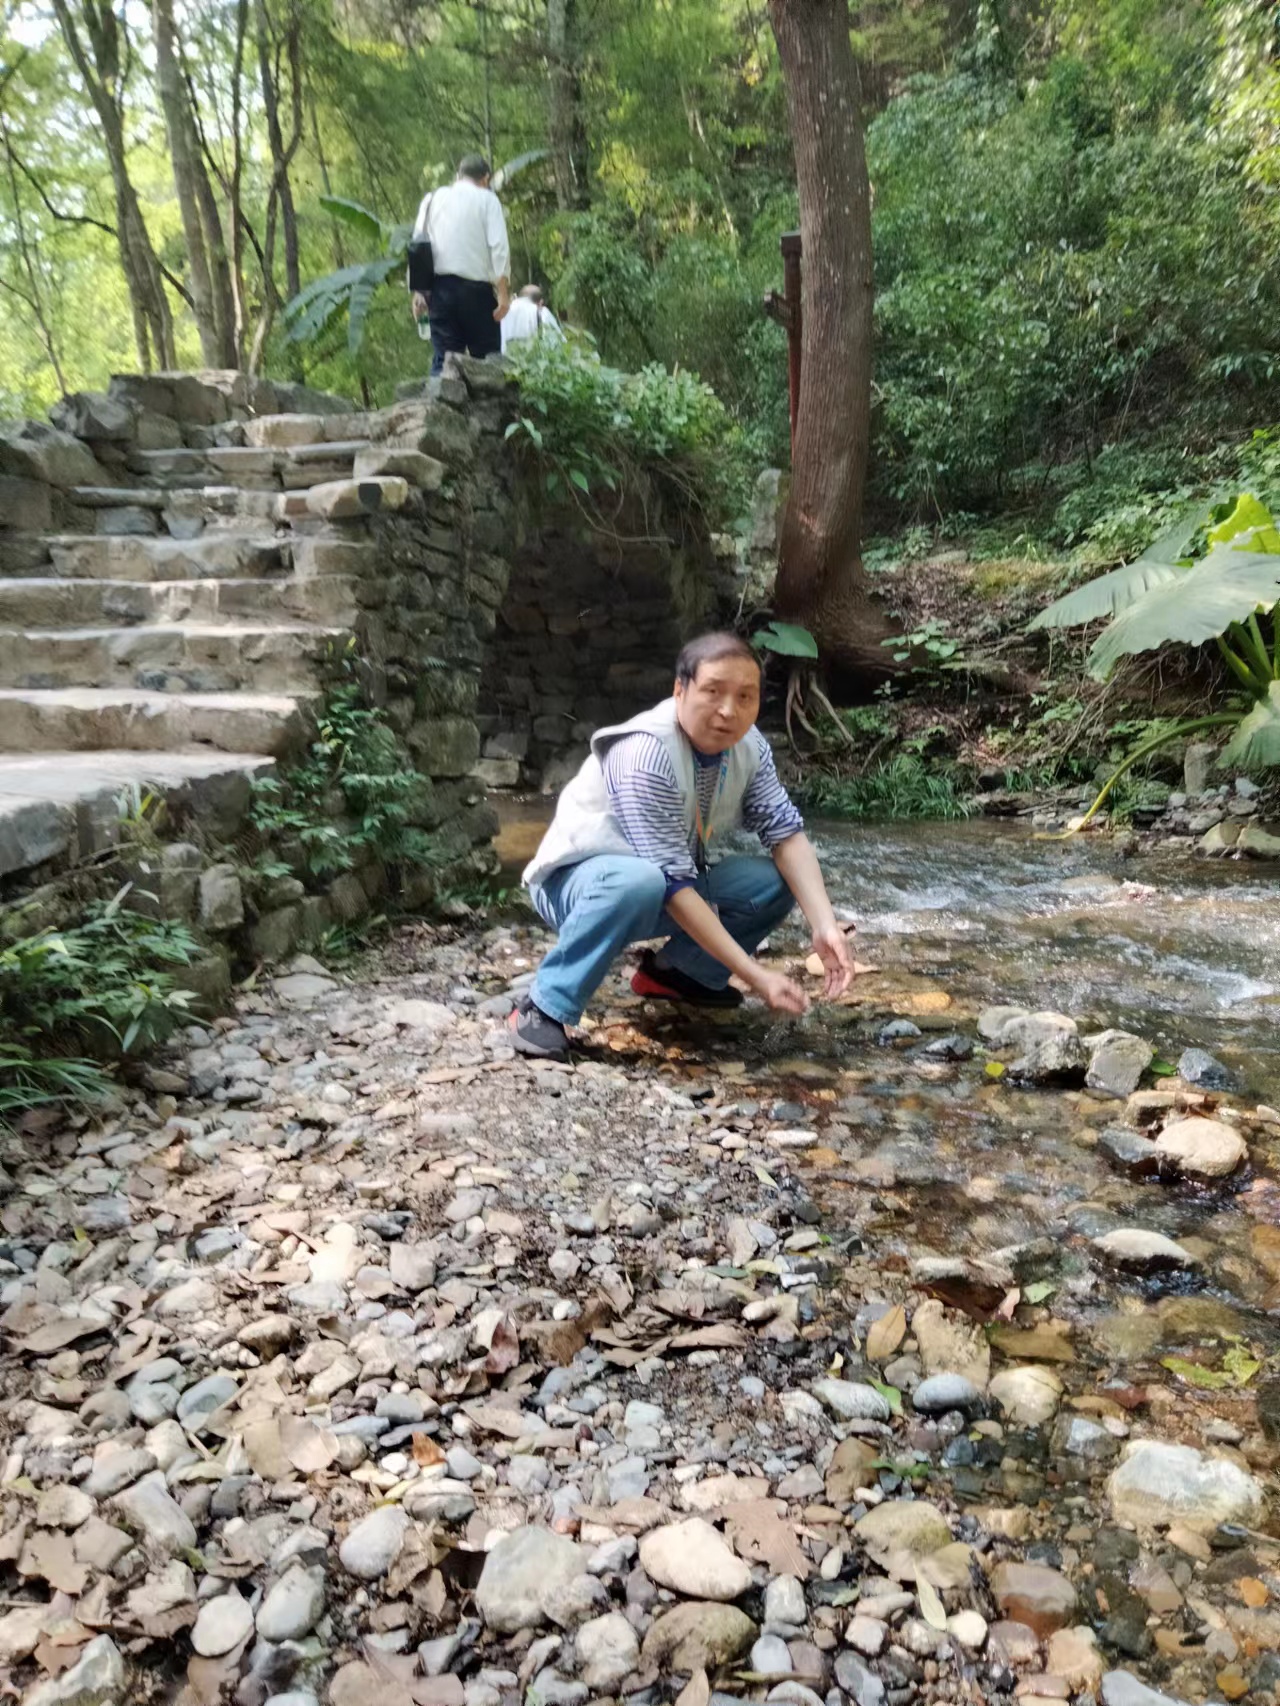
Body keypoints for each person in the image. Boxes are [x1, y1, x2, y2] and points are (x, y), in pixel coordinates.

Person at [510, 631, 855, 1060]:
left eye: (745, 697)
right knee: (641, 880)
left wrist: (824, 925)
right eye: (713, 691)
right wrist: (754, 975)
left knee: (776, 880)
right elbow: (673, 886)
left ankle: (679, 976)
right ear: (680, 690)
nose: (728, 710)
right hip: (575, 887)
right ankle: (544, 1005)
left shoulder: (750, 747)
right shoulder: (645, 752)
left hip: (656, 884)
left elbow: (785, 833)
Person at [410, 154, 511, 376]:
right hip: (477, 293)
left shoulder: (432, 199)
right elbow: (499, 248)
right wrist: (503, 294)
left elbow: (418, 245)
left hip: (441, 292)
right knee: (488, 363)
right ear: (485, 179)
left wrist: (419, 292)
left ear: (458, 176)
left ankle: (437, 397)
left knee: (444, 362)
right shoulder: (488, 200)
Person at [500, 284, 563, 353]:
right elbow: (557, 342)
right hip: (532, 358)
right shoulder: (541, 312)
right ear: (540, 302)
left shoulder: (502, 312)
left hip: (503, 357)